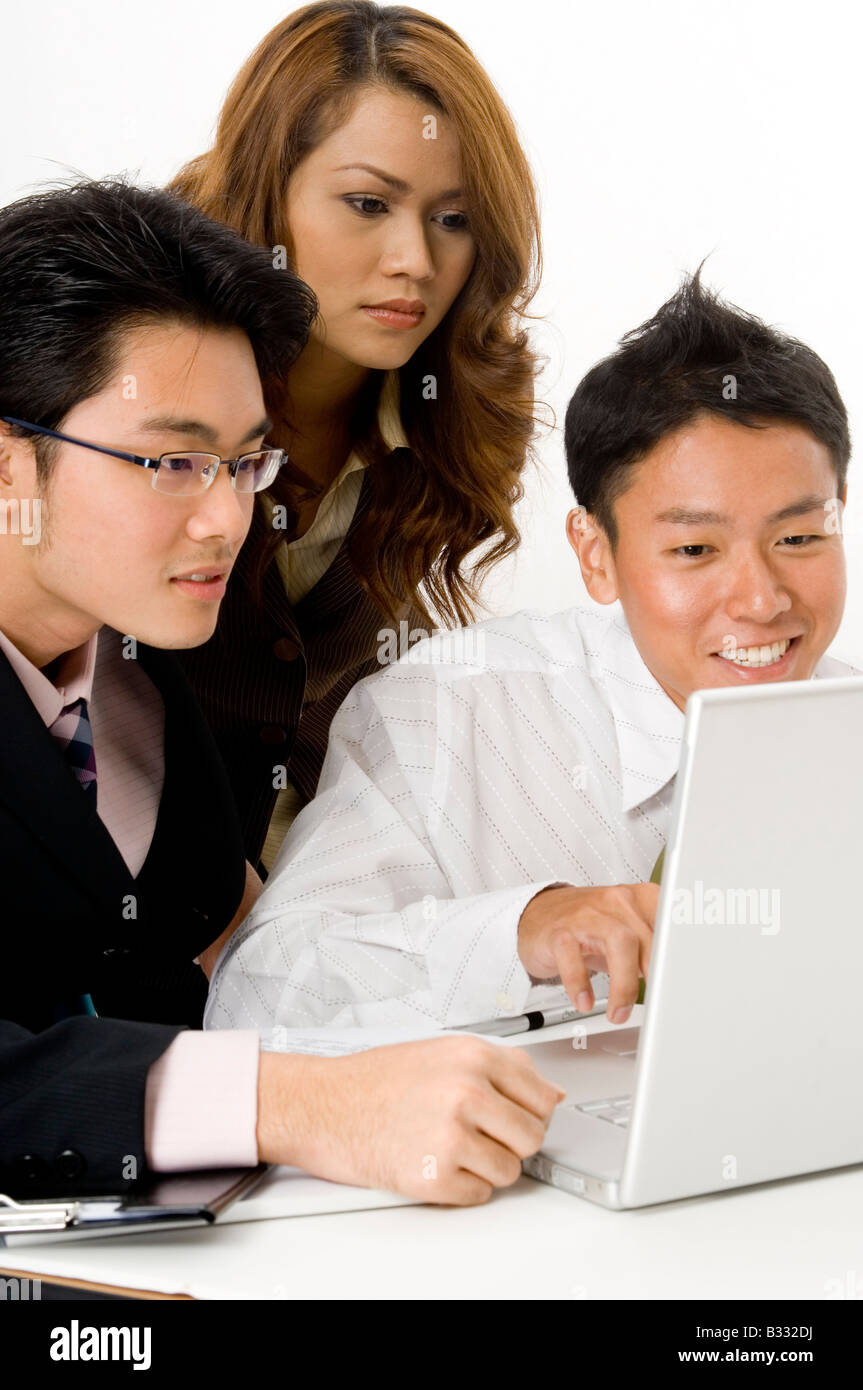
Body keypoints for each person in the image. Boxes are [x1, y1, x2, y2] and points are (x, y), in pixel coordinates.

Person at [0, 178, 562, 1208]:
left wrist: (516, 949)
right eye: (171, 460)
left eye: (243, 461)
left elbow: (256, 951)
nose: (226, 518)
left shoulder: (146, 677)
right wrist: (299, 1102)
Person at [205, 272, 858, 1034]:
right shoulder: (444, 713)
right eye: (693, 548)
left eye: (799, 538)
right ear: (595, 554)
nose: (759, 599)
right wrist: (518, 933)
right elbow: (261, 992)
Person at [167, 1, 543, 876]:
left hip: (327, 903)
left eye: (452, 219)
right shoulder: (133, 383)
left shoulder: (443, 414)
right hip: (125, 927)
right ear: (268, 191)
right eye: (367, 203)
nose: (414, 259)